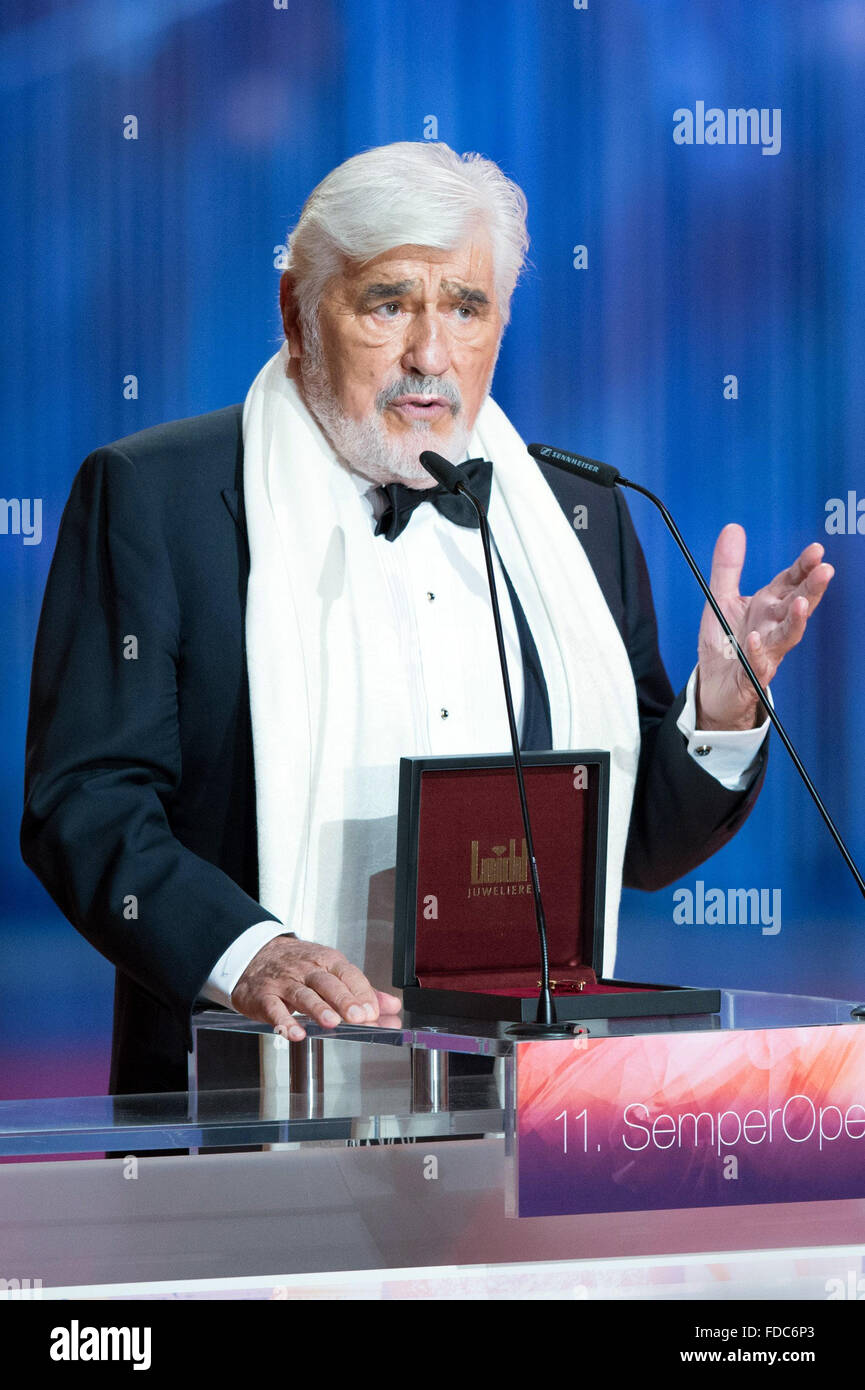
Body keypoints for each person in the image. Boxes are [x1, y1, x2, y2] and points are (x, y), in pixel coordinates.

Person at [21, 143, 833, 1096]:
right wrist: (247, 955)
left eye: (465, 306)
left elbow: (635, 847)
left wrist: (722, 714)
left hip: (527, 1112)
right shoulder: (158, 498)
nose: (429, 355)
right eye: (388, 303)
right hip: (240, 1098)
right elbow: (86, 802)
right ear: (295, 313)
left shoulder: (579, 515)